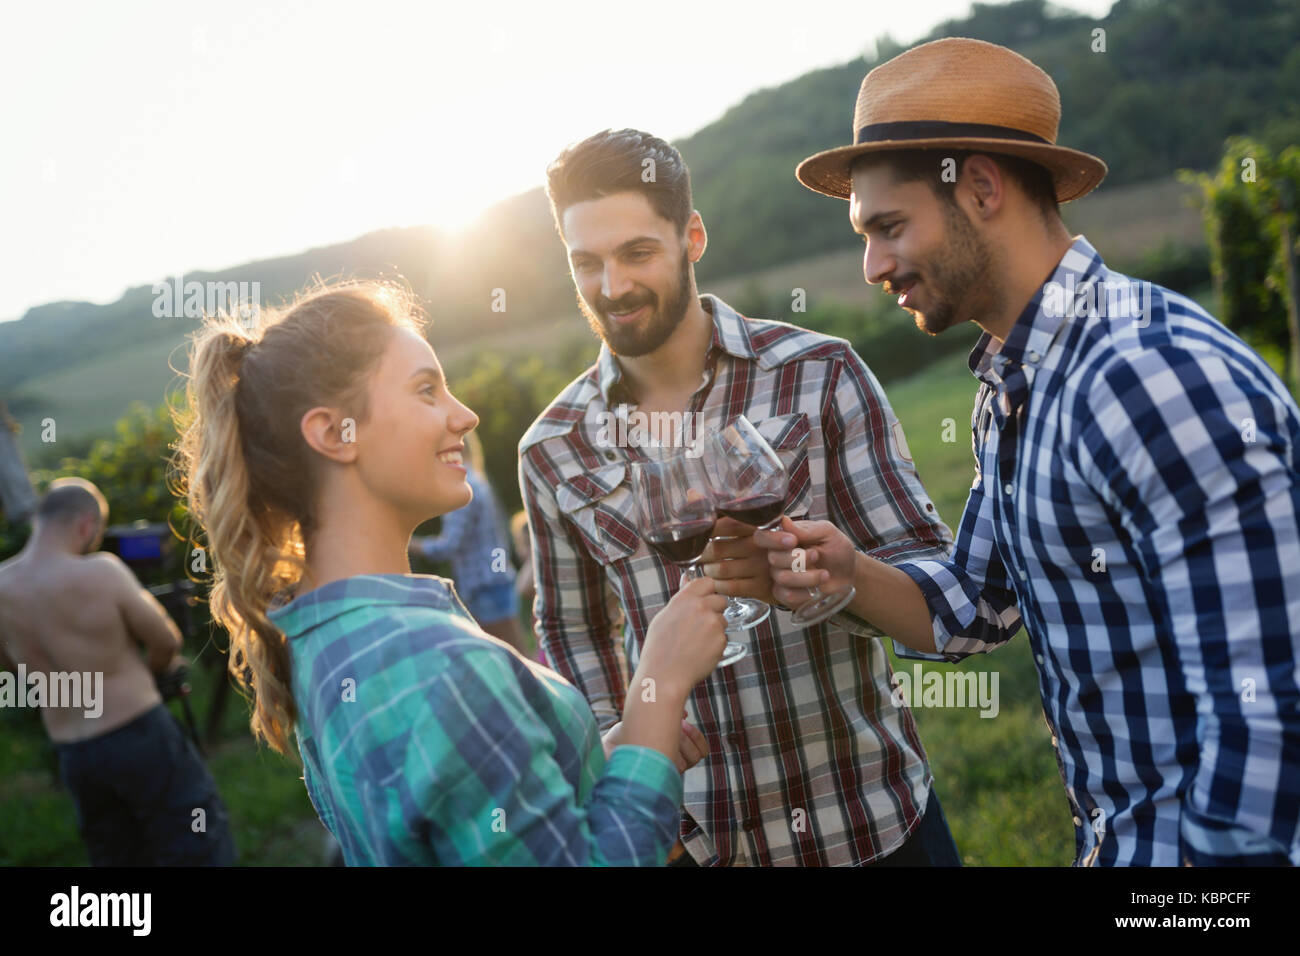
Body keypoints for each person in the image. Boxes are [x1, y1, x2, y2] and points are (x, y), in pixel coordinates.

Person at [761, 36, 1300, 866]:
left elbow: (1270, 714)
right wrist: (846, 573)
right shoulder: (1015, 382)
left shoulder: (1145, 375)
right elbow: (975, 604)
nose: (872, 265)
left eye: (889, 227)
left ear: (980, 187)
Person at [519, 128, 962, 866]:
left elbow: (939, 594)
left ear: (691, 236)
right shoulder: (552, 446)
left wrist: (837, 583)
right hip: (698, 844)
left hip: (873, 821)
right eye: (586, 263)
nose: (613, 287)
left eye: (637, 253)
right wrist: (620, 740)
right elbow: (574, 630)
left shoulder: (820, 373)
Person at [172, 280, 729, 865]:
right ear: (335, 434)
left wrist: (593, 760)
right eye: (426, 389)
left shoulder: (323, 644)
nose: (465, 415)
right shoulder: (440, 665)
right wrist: (659, 688)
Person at [0, 477, 236, 865]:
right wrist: (144, 674)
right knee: (194, 838)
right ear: (86, 525)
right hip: (137, 732)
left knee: (116, 853)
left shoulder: (3, 587)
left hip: (73, 752)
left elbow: (10, 666)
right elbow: (166, 640)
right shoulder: (103, 572)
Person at [408, 431, 528, 655]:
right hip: (495, 581)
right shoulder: (479, 480)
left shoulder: (463, 486)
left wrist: (408, 542)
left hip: (484, 587)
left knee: (508, 661)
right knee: (516, 658)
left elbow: (447, 546)